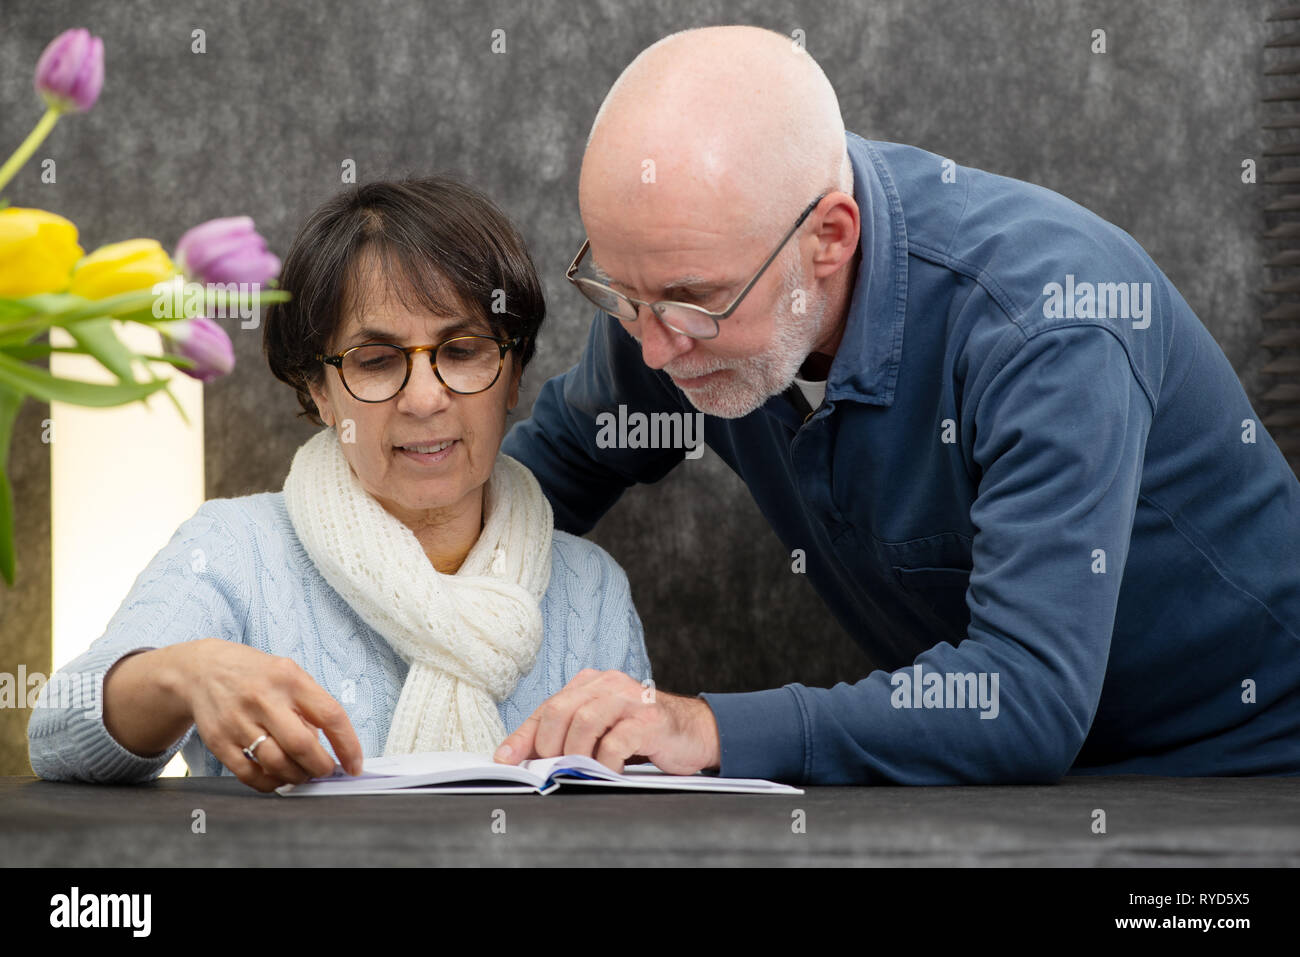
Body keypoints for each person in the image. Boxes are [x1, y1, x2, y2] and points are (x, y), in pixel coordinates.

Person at [494, 24, 1300, 783]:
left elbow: (1023, 696)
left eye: (691, 301)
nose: (655, 351)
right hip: (1001, 785)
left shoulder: (1051, 323)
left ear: (830, 238)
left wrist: (705, 728)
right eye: (619, 293)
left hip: (1246, 765)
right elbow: (537, 485)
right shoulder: (673, 300)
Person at [27, 177, 651, 793]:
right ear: (318, 393)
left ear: (513, 376)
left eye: (462, 351)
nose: (426, 397)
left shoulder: (591, 590)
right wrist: (182, 675)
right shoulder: (232, 551)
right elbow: (55, 734)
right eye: (376, 361)